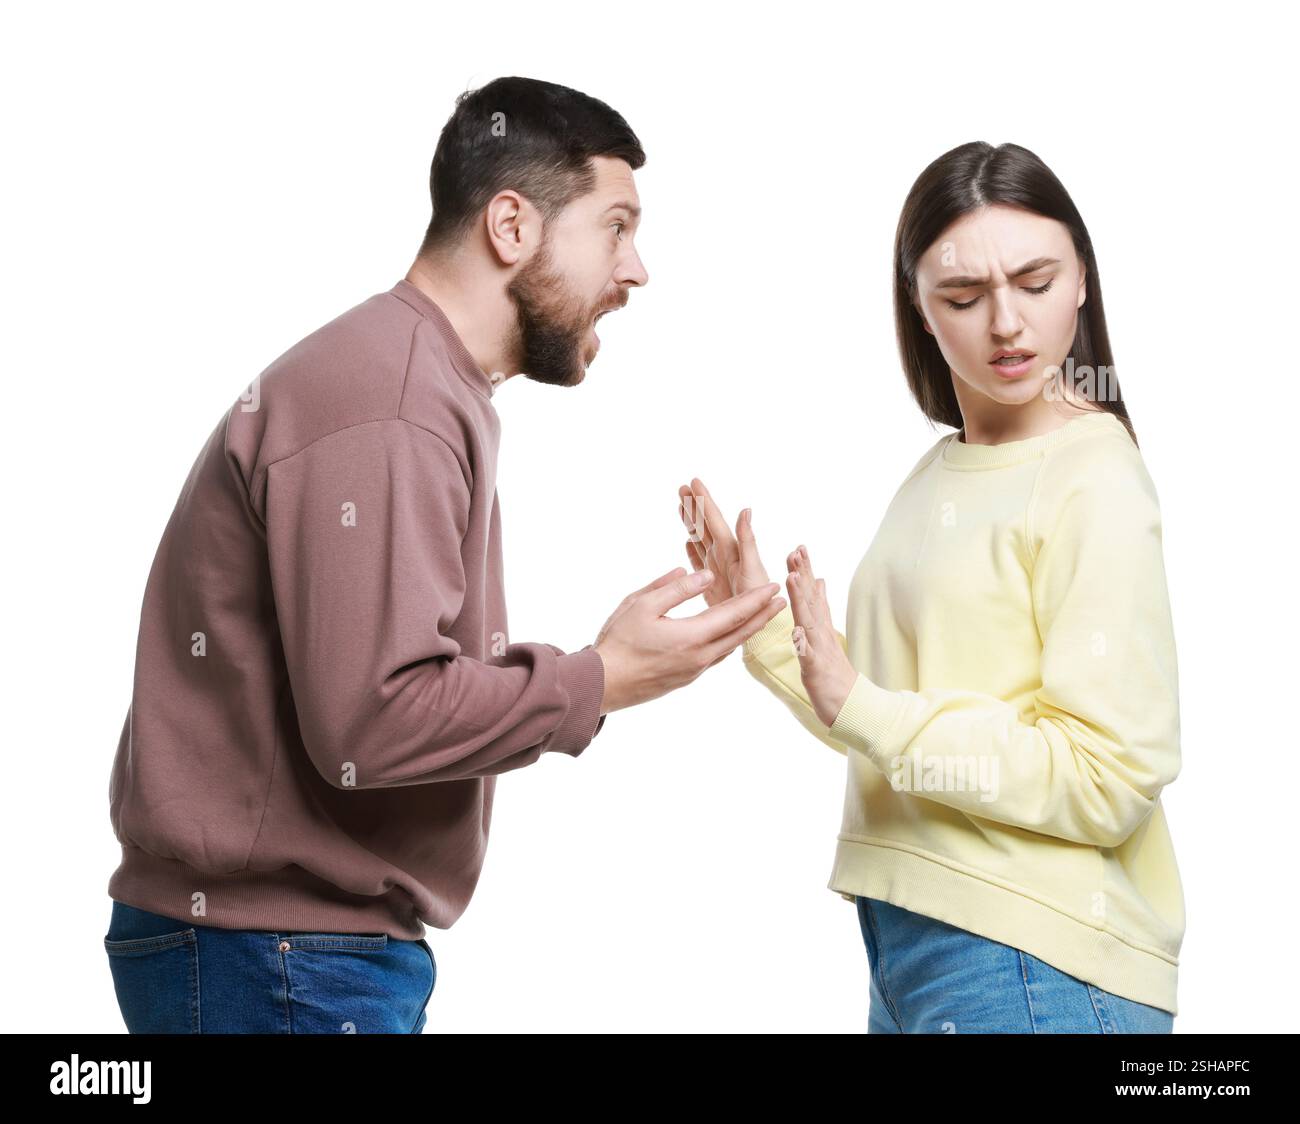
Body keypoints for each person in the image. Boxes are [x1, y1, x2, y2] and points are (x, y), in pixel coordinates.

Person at [103, 75, 786, 1034]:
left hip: (282, 956)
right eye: (617, 227)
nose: (637, 272)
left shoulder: (411, 383)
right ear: (512, 226)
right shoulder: (391, 401)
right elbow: (371, 723)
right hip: (278, 961)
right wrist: (601, 678)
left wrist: (606, 669)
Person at [679, 141, 1183, 1034]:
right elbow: (876, 717)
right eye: (963, 296)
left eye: (1035, 282)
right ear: (918, 309)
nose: (1006, 325)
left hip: (1036, 954)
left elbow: (1110, 773)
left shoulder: (1092, 474)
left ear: (1081, 283)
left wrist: (870, 711)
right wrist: (761, 620)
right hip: (917, 944)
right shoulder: (937, 472)